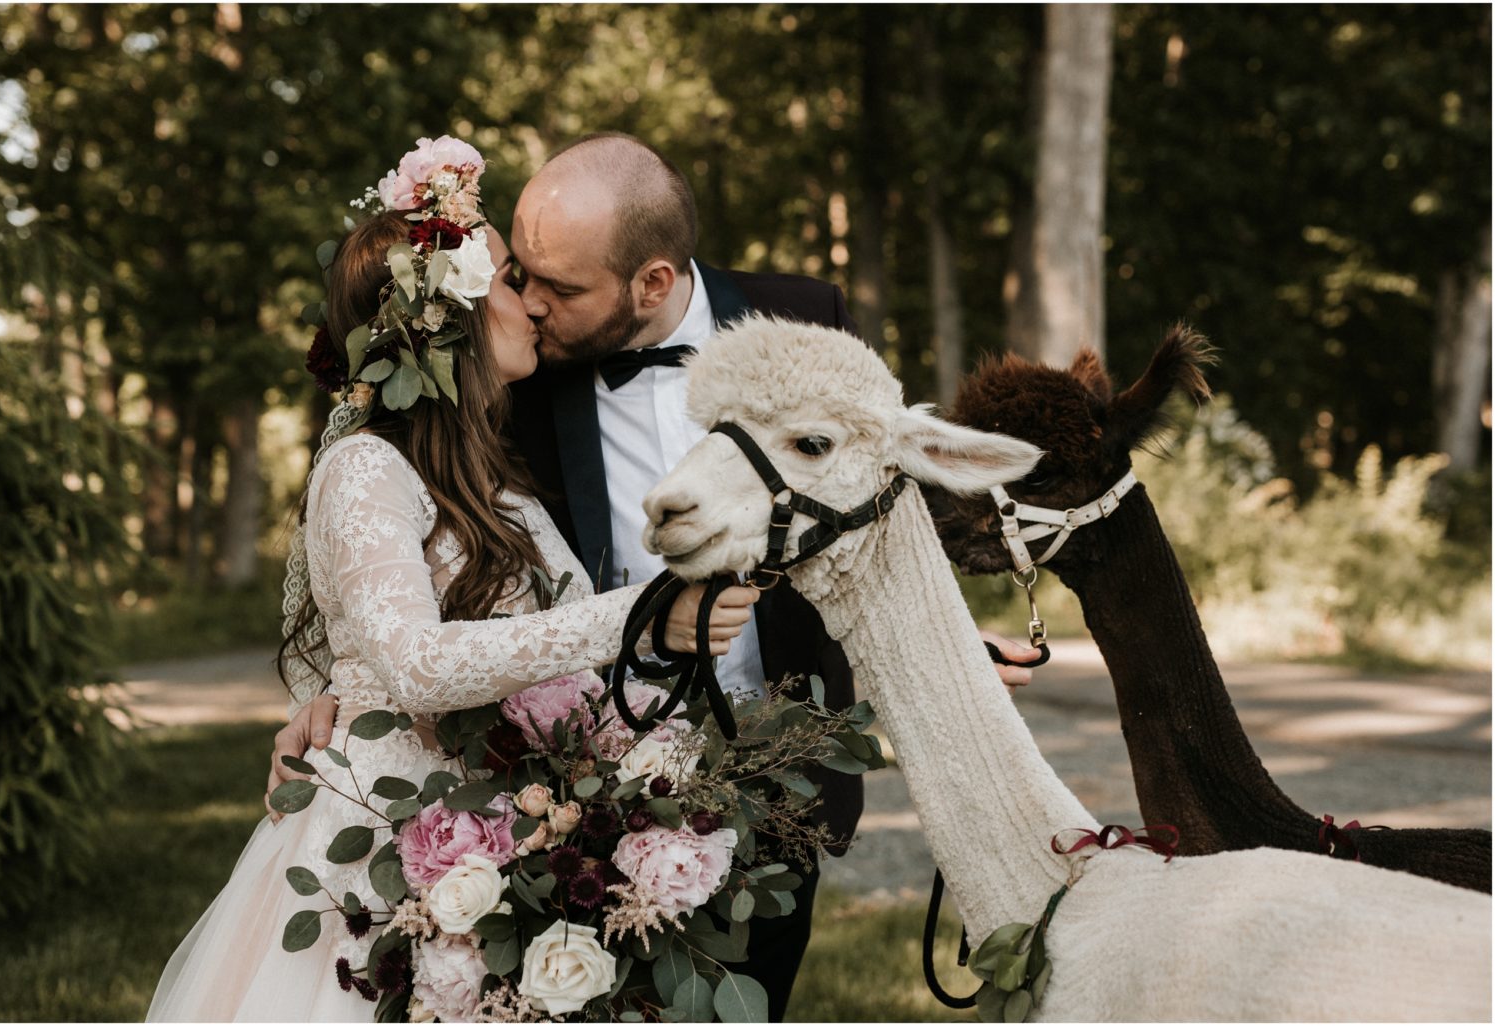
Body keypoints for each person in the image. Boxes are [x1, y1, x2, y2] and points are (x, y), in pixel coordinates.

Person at [272, 133, 1040, 1021]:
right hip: (581, 800)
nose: (528, 301)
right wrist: (334, 691)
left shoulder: (806, 318)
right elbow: (395, 556)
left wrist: (936, 647)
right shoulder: (509, 373)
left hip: (777, 775)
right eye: (517, 276)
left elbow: (856, 502)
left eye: (555, 287)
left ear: (654, 282)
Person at [148, 140, 759, 1021]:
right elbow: (415, 663)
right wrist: (649, 616)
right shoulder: (365, 469)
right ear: (453, 320)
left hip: (494, 841)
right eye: (512, 282)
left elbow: (564, 664)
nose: (535, 304)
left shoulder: (500, 482)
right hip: (379, 861)